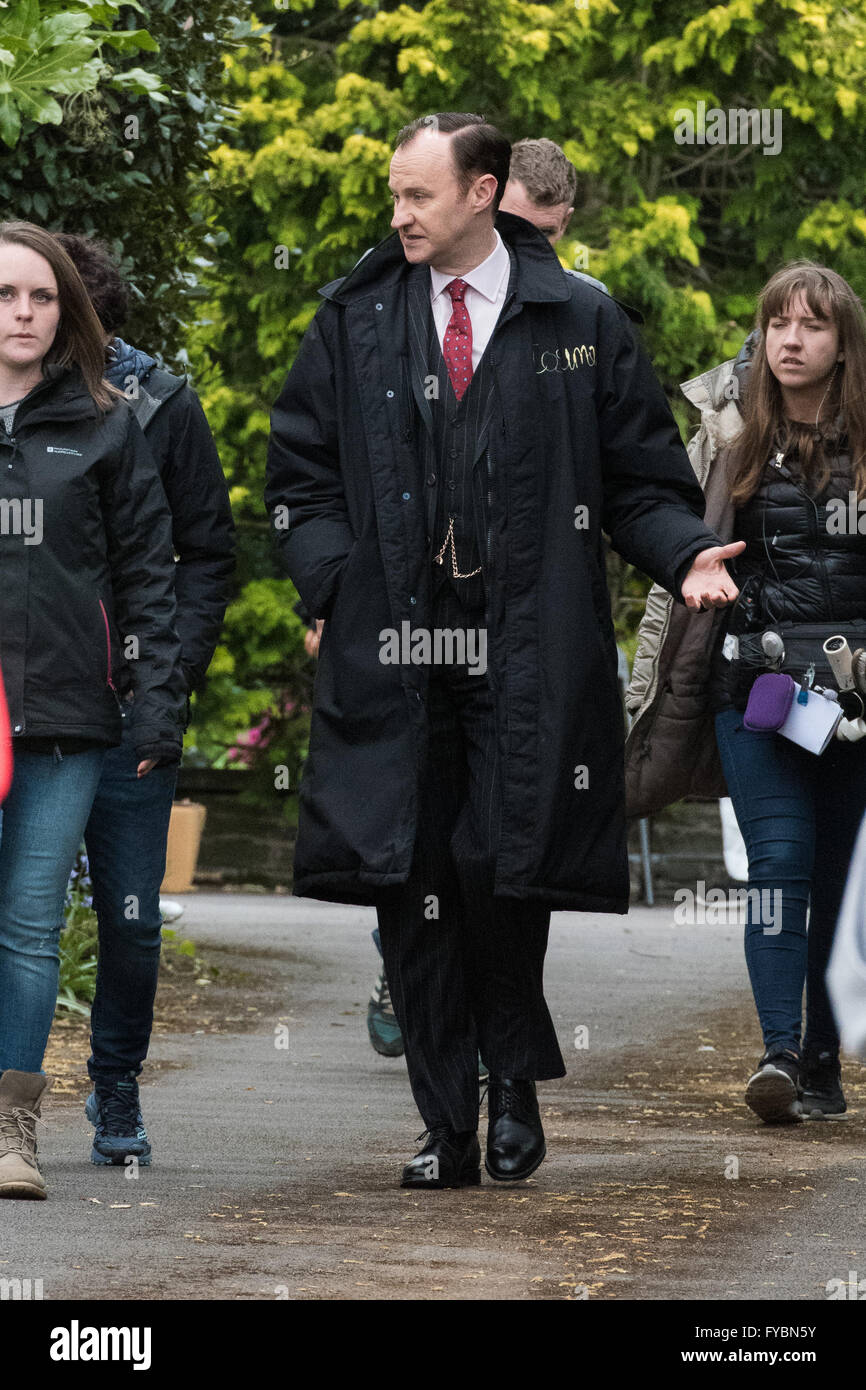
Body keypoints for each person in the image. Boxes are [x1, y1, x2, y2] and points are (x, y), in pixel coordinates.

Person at [265, 113, 740, 1189]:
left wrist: (687, 555)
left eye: (416, 196)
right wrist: (335, 583)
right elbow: (298, 472)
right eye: (392, 195)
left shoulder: (577, 319)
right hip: (393, 650)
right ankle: (444, 1124)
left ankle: (510, 1075)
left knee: (497, 868)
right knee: (410, 878)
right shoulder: (354, 319)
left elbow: (639, 483)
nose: (397, 216)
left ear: (482, 193)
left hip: (522, 648)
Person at [626, 261, 866, 1124]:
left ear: (843, 346)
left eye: (811, 326)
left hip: (852, 703)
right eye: (777, 325)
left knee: (841, 886)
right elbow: (677, 562)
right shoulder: (730, 439)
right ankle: (776, 1054)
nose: (791, 340)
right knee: (779, 866)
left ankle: (822, 1061)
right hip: (758, 691)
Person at [0, 221, 187, 1198]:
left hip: (68, 720)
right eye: (5, 296)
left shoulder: (108, 421)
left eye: (41, 298)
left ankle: (11, 1135)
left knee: (30, 922)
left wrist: (156, 705)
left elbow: (149, 576)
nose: (24, 314)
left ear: (67, 311)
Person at [53, 234, 235, 1166]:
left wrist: (170, 671)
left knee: (128, 917)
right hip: (32, 702)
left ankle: (114, 1079)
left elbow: (208, 552)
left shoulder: (161, 404)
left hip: (130, 700)